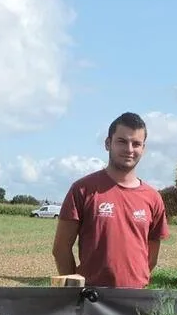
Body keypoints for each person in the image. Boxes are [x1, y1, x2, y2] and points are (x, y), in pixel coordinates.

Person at [52, 112, 169, 288]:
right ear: (108, 144)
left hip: (136, 299)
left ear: (143, 149)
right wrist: (75, 290)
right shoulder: (83, 189)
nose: (129, 149)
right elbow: (61, 249)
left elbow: (151, 256)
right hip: (92, 298)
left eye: (136, 144)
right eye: (122, 141)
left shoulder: (152, 197)